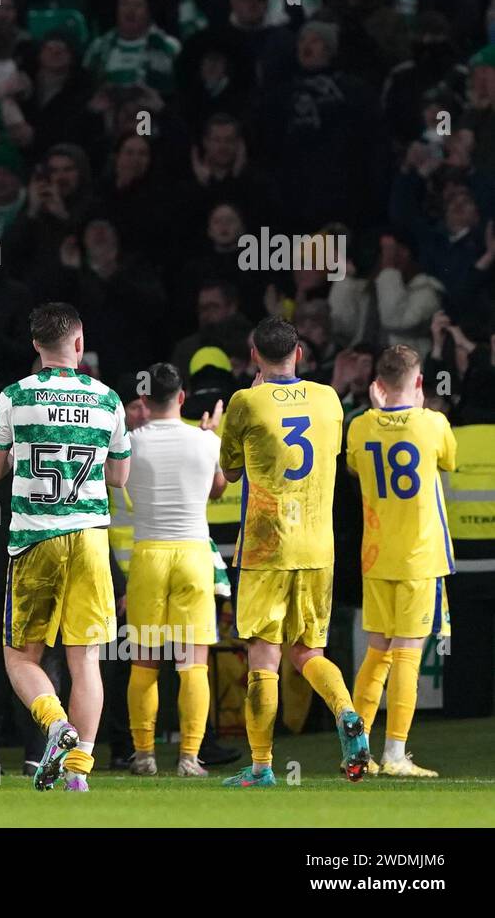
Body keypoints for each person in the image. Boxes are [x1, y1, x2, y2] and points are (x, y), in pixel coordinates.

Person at [0, 302, 131, 792]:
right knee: (85, 660)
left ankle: (55, 724)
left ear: (36, 347)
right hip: (89, 539)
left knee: (21, 657)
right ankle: (78, 773)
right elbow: (119, 475)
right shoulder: (109, 400)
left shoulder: (14, 396)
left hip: (34, 538)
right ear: (80, 343)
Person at [217, 315, 370, 786]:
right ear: (299, 352)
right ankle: (347, 712)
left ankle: (262, 767)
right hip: (319, 548)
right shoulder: (328, 400)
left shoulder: (245, 401)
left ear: (254, 356)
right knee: (307, 652)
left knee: (263, 657)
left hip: (266, 547)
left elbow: (232, 471)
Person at [347, 345, 456, 777]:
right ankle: (394, 755)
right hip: (419, 557)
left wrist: (378, 415)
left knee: (377, 653)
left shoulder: (360, 427)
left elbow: (356, 469)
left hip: (376, 557)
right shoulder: (433, 424)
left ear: (377, 385)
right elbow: (448, 461)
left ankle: (355, 751)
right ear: (420, 383)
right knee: (408, 654)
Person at [123, 363, 227, 778]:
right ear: (182, 398)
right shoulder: (205, 443)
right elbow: (217, 489)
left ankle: (144, 755)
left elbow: (121, 483)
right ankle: (188, 757)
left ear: (144, 402)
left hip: (148, 556)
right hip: (193, 556)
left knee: (145, 663)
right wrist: (210, 435)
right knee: (193, 664)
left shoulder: (130, 442)